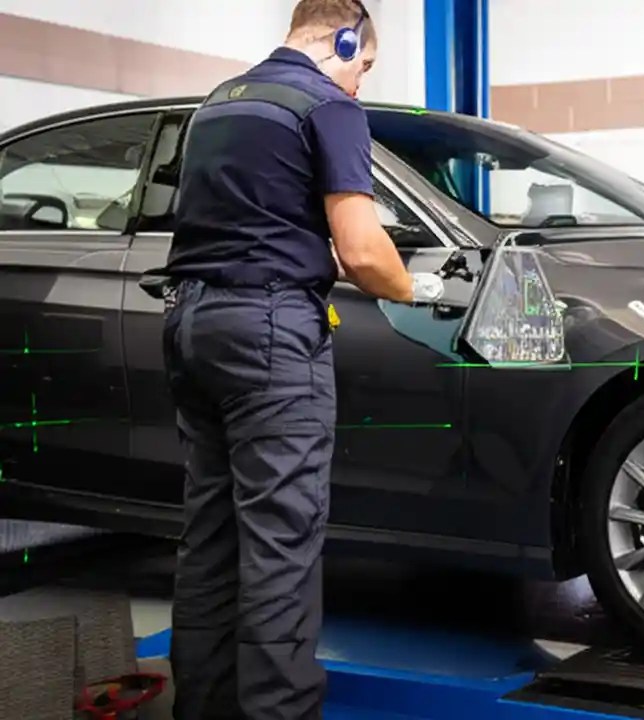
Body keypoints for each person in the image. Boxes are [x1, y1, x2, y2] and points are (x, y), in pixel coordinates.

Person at [158, 1, 440, 717]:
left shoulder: (218, 104)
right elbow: (362, 250)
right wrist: (417, 286)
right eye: (365, 66)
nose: (360, 85)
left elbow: (257, 221)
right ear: (345, 39)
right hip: (270, 337)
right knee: (280, 548)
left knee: (211, 540)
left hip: (191, 325)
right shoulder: (327, 106)